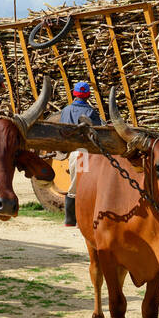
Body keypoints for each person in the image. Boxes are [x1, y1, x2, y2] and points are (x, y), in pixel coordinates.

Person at [58, 81, 101, 227]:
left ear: (74, 94)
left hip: (73, 151)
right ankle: (77, 220)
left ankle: (71, 220)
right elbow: (98, 131)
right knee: (80, 185)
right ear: (88, 95)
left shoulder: (66, 110)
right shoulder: (91, 112)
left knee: (76, 183)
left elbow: (62, 130)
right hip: (84, 153)